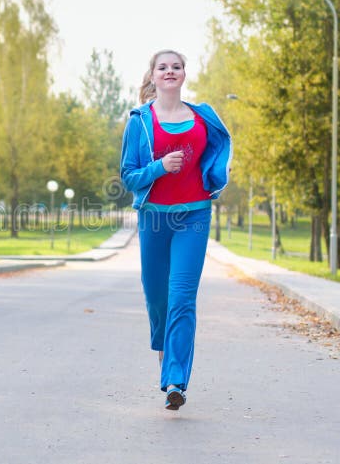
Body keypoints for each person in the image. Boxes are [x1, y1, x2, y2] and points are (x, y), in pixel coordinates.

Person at [120, 49, 232, 411]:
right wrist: (160, 167)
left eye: (176, 66)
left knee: (182, 298)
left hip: (194, 216)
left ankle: (175, 381)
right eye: (163, 67)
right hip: (154, 218)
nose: (170, 71)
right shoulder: (139, 121)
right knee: (158, 299)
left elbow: (220, 149)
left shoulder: (202, 117)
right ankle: (166, 352)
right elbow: (128, 176)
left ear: (184, 74)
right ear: (153, 75)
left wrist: (218, 175)